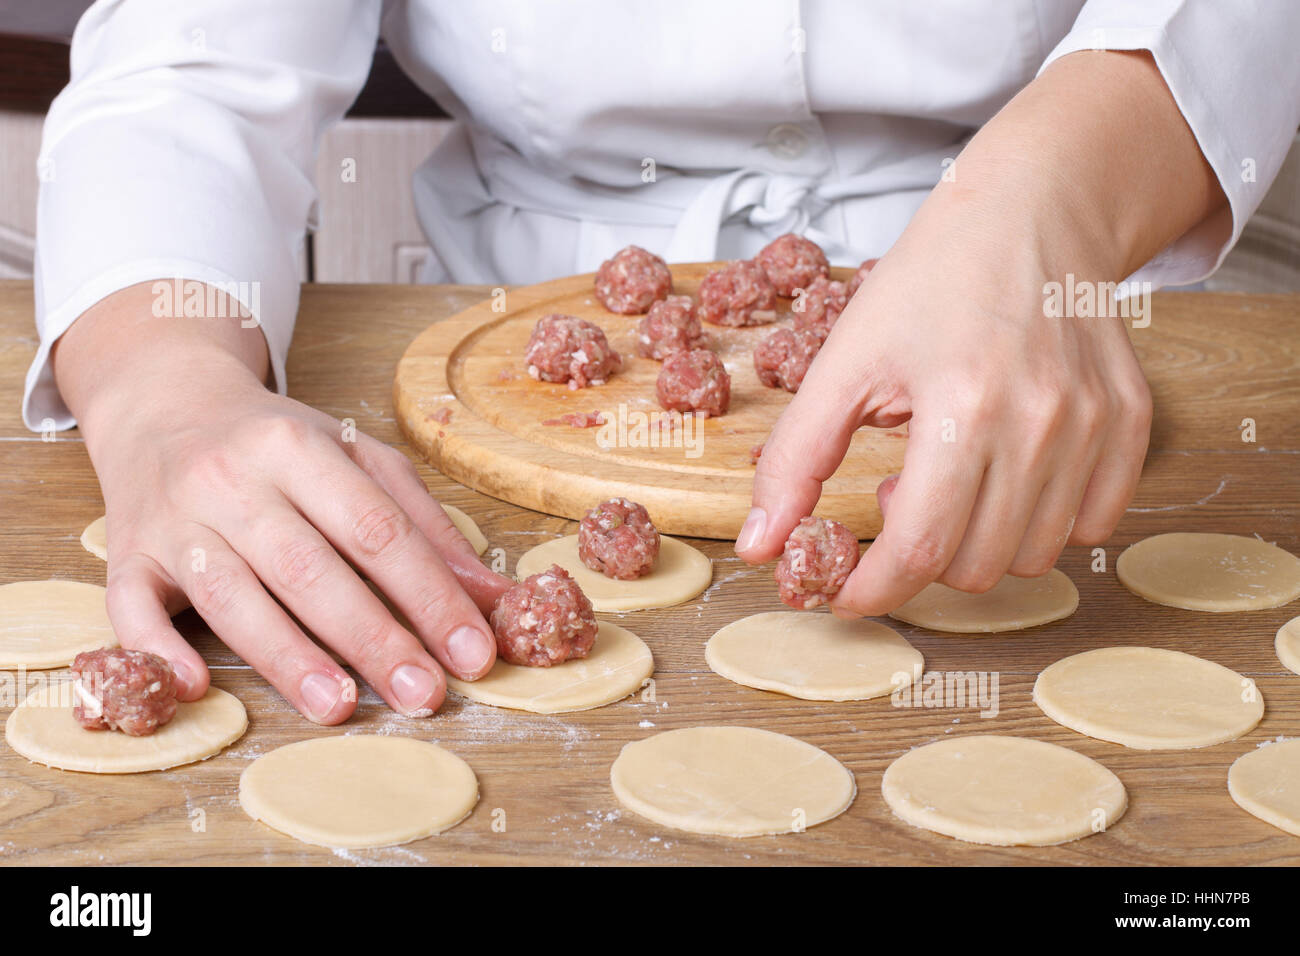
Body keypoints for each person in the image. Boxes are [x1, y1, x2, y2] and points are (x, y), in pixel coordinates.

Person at [25, 1, 1300, 723]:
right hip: (516, 323)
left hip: (1087, 266)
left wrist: (1054, 202)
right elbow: (190, 71)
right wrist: (163, 384)